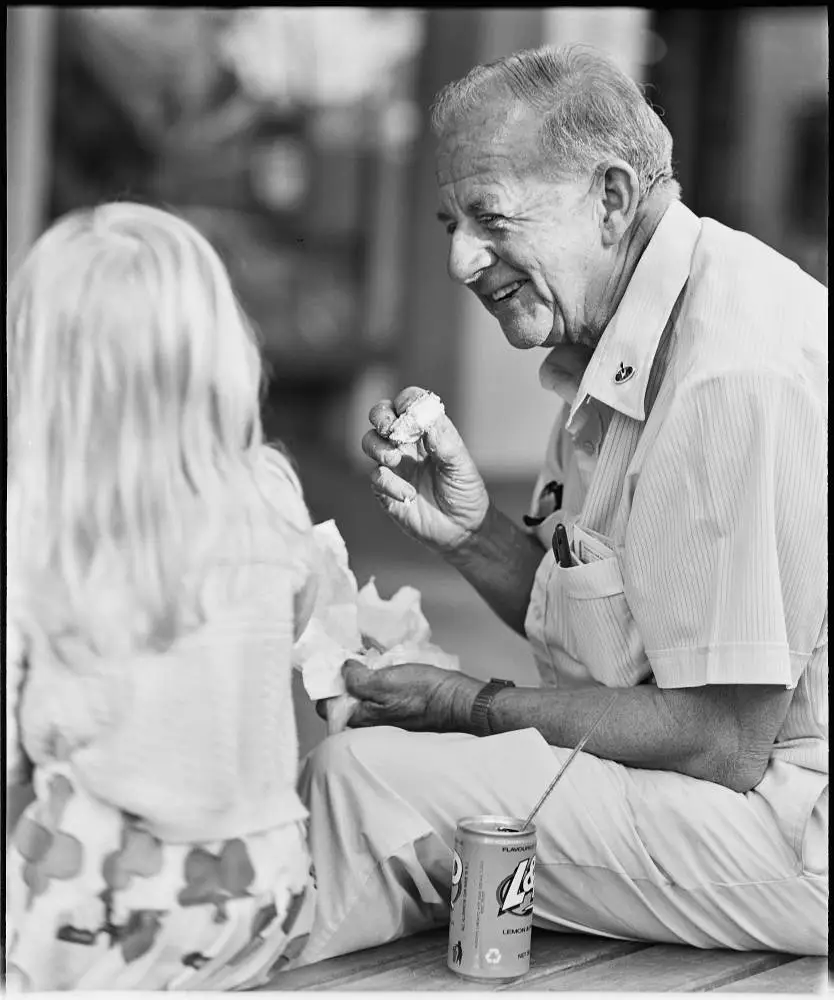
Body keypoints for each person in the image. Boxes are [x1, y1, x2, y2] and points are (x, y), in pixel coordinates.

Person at [296, 44, 828, 964]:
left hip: (789, 826)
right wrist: (472, 535)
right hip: (740, 787)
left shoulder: (732, 376)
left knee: (363, 779)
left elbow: (724, 740)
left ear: (612, 199)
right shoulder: (631, 325)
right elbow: (629, 639)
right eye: (450, 222)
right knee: (391, 784)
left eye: (491, 217)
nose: (463, 258)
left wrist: (469, 706)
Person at [5, 202, 320, 990]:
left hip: (104, 904)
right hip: (260, 895)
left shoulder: (36, 529)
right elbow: (306, 630)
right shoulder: (272, 493)